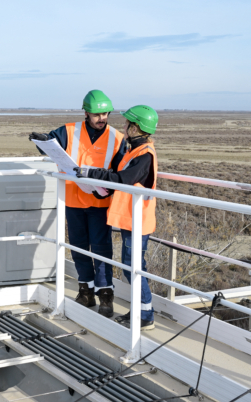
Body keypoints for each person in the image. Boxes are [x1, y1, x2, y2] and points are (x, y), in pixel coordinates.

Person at [28, 90, 124, 317]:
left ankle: (106, 297)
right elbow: (49, 145)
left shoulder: (117, 138)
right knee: (79, 248)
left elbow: (120, 173)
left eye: (105, 113)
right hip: (73, 199)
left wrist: (107, 189)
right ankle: (86, 292)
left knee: (101, 250)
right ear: (86, 113)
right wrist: (41, 142)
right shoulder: (69, 131)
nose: (102, 118)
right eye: (96, 114)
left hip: (100, 202)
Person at [74, 105, 158, 329]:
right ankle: (140, 310)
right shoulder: (135, 151)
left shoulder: (145, 155)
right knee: (132, 267)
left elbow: (122, 178)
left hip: (138, 220)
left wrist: (91, 173)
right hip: (129, 219)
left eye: (128, 124)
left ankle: (146, 315)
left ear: (137, 127)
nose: (124, 127)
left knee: (133, 268)